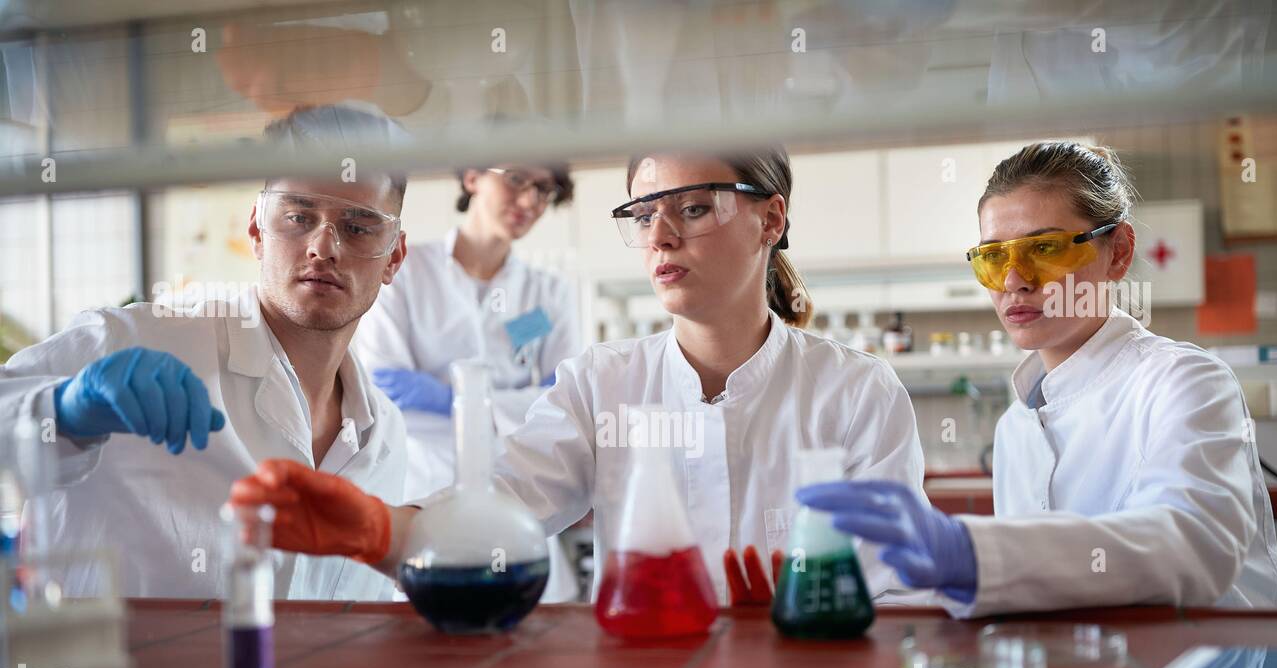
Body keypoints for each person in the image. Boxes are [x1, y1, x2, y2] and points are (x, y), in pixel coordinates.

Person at [230, 146, 926, 607]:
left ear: (771, 216)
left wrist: (799, 615)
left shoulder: (857, 392)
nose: (659, 238)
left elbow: (893, 585)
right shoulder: (604, 384)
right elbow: (502, 506)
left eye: (691, 208)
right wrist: (380, 528)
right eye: (643, 215)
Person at [798, 140, 1277, 615]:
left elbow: (1192, 547)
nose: (1015, 280)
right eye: (994, 257)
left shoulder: (1184, 382)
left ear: (1118, 252)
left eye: (1046, 248)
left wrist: (972, 553)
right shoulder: (1016, 426)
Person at [0, 105, 410, 600]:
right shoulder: (133, 339)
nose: (323, 247)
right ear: (257, 231)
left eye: (359, 226)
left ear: (394, 257)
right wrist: (63, 412)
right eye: (299, 217)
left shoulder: (383, 437)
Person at [353, 163, 582, 601]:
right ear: (473, 176)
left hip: (511, 492)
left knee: (526, 638)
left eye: (544, 190)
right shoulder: (403, 270)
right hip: (421, 484)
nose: (531, 201)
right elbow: (388, 380)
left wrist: (467, 402)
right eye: (517, 179)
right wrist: (509, 407)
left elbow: (562, 395)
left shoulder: (547, 293)